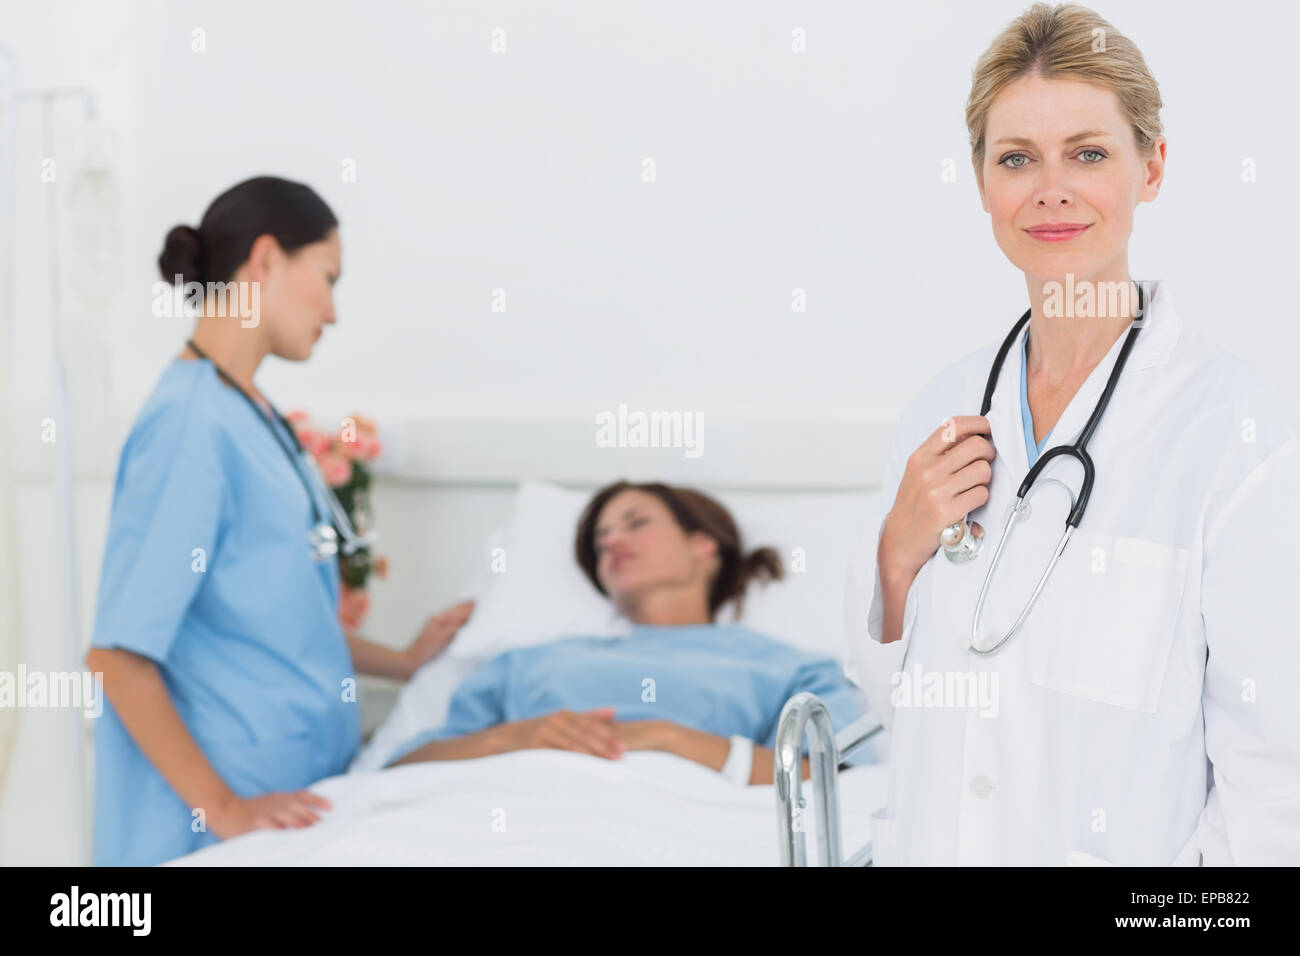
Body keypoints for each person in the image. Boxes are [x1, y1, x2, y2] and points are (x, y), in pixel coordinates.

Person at [853, 3, 1300, 865]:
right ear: (982, 182)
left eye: (1088, 154)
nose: (1049, 189)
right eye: (1016, 158)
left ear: (1152, 168)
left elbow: (1274, 789)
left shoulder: (1240, 439)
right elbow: (890, 706)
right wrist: (895, 559)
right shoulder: (941, 410)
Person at [85, 176, 473, 866]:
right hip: (208, 829)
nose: (334, 310)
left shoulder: (251, 415)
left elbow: (279, 622)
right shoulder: (190, 426)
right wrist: (227, 810)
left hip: (295, 802)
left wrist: (406, 661)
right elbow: (118, 658)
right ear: (265, 261)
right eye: (327, 277)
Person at [386, 481, 885, 782]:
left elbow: (835, 777)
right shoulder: (527, 662)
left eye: (635, 523)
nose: (613, 542)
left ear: (704, 544)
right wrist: (517, 737)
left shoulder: (786, 667)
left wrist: (666, 738)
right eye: (601, 541)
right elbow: (405, 768)